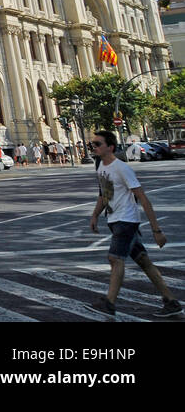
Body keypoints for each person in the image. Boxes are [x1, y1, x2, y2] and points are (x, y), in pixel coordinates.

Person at [86, 129, 182, 318]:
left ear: (110, 147)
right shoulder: (100, 166)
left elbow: (143, 199)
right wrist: (95, 215)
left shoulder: (121, 168)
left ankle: (109, 303)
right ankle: (171, 301)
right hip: (114, 220)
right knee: (144, 261)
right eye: (93, 144)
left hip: (126, 221)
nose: (93, 147)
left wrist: (157, 230)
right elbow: (105, 194)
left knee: (115, 258)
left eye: (98, 144)